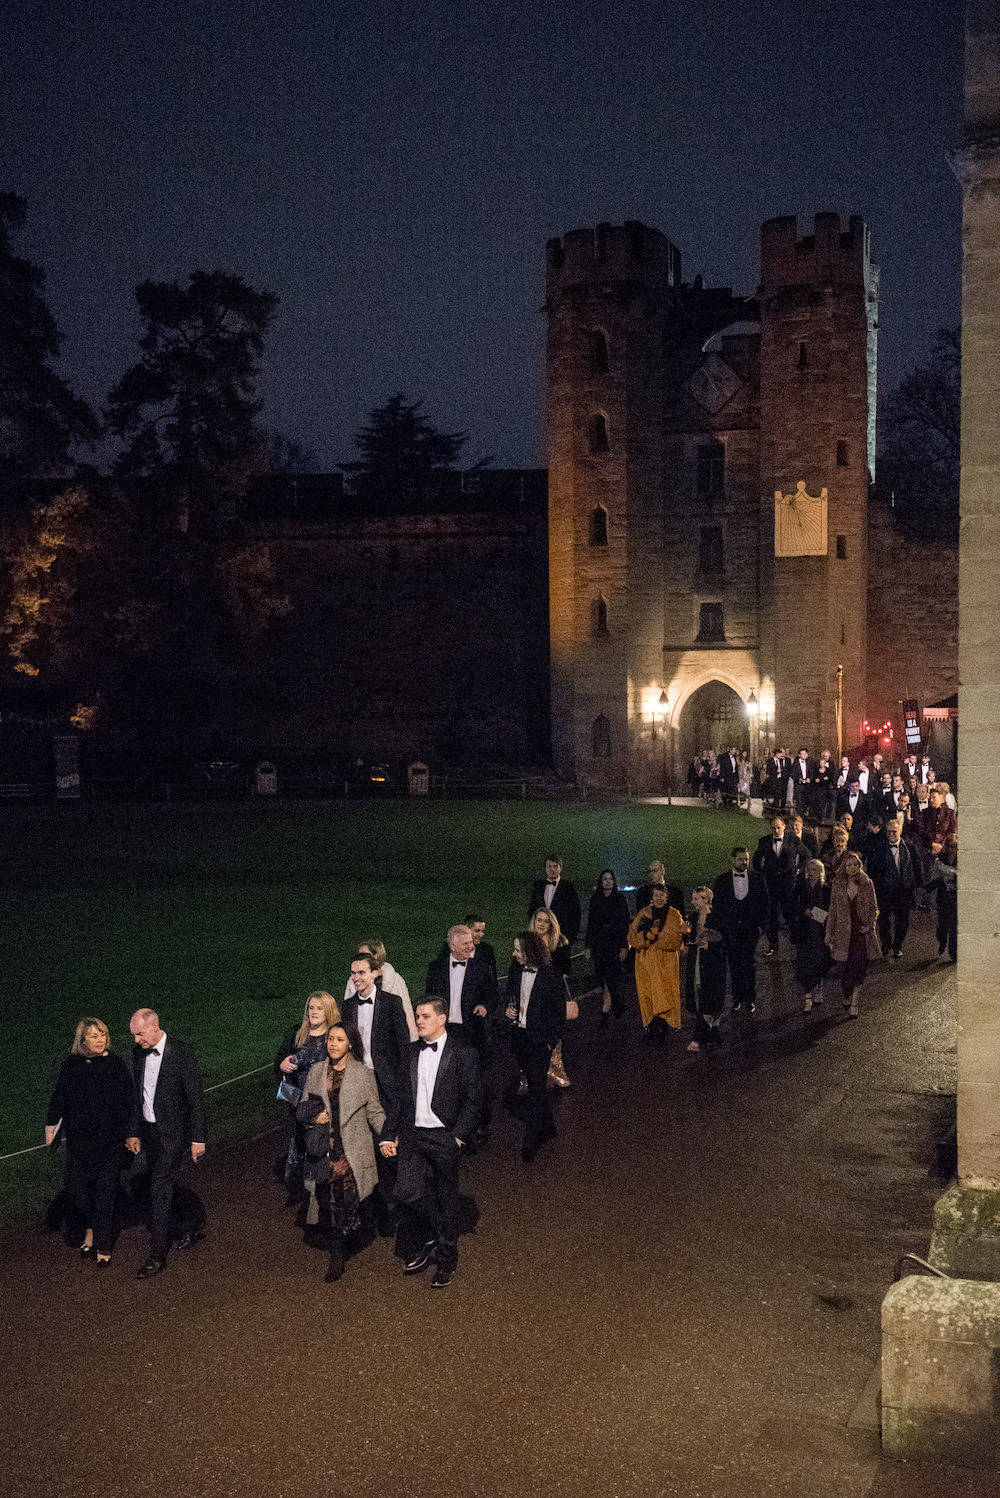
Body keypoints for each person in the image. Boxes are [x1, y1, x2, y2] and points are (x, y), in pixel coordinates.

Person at [380, 996, 482, 1288]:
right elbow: (400, 1099)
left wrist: (458, 1138)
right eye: (417, 1016)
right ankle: (433, 1235)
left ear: (442, 1018)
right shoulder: (411, 1052)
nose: (419, 1021)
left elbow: (474, 1101)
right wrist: (388, 1133)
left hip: (444, 1137)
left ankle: (447, 1259)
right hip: (414, 1135)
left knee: (447, 1197)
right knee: (406, 1192)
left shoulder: (463, 1053)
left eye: (425, 1016)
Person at [295, 1021, 386, 1282]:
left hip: (353, 1149)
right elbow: (303, 1108)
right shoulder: (315, 1072)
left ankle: (337, 1253)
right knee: (329, 1197)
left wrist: (389, 1138)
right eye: (331, 1039)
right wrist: (315, 1119)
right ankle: (349, 1233)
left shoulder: (363, 1074)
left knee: (341, 1195)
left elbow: (375, 1112)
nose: (333, 1044)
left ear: (350, 1044)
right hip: (324, 1147)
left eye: (340, 1040)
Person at [125, 1009, 207, 1279]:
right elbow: (139, 1096)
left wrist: (198, 1138)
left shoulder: (180, 1053)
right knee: (162, 1185)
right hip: (150, 1136)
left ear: (154, 1027)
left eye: (139, 1034)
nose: (136, 1040)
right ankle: (189, 1225)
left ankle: (157, 1255)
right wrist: (134, 1132)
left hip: (173, 1136)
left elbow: (195, 1097)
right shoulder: (139, 1055)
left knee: (159, 1188)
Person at [45, 1018, 132, 1265]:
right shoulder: (72, 1065)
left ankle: (103, 1243)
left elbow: (128, 1099)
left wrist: (129, 1133)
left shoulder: (113, 1064)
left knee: (105, 1193)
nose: (100, 1040)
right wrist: (51, 1126)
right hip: (79, 1144)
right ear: (82, 1040)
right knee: (75, 1189)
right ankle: (93, 1226)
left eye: (103, 1035)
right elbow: (60, 1096)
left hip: (109, 1143)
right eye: (94, 1036)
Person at [426, 924, 497, 1132]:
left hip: (472, 1033)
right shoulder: (436, 968)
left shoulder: (481, 968)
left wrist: (485, 1006)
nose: (470, 947)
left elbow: (493, 995)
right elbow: (429, 998)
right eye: (465, 943)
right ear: (452, 945)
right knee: (448, 1082)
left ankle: (478, 1126)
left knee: (473, 1082)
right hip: (445, 1034)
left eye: (471, 943)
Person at [504, 931, 567, 1160]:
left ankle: (531, 1140)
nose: (514, 953)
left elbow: (559, 1015)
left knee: (536, 1089)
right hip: (519, 1038)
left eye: (518, 950)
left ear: (530, 951)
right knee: (534, 1084)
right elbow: (510, 1000)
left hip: (539, 1042)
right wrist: (508, 1012)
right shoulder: (515, 972)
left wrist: (549, 1042)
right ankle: (549, 1128)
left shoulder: (552, 977)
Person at [274, 991, 340, 1197]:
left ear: (328, 1011)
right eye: (311, 1007)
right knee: (301, 1160)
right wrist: (281, 1065)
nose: (314, 1012)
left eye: (319, 1008)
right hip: (299, 1105)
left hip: (324, 1108)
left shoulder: (334, 1037)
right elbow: (279, 1072)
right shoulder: (297, 1036)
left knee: (322, 1160)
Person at [711, 847, 770, 1015]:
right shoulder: (721, 881)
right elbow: (717, 908)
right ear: (733, 860)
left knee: (749, 964)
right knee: (735, 964)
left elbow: (765, 904)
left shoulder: (758, 879)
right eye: (740, 859)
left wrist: (760, 928)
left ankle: (750, 998)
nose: (744, 862)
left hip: (751, 931)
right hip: (730, 932)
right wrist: (723, 930)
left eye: (746, 859)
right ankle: (737, 999)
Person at [627, 885, 688, 1038]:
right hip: (645, 962)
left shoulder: (675, 915)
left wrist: (658, 937)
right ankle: (651, 1025)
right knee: (648, 993)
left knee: (666, 993)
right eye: (656, 895)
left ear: (667, 897)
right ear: (651, 898)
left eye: (662, 895)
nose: (659, 898)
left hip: (666, 961)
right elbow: (632, 936)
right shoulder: (644, 913)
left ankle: (662, 1025)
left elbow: (677, 939)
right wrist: (647, 937)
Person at [825, 852, 881, 1018]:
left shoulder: (867, 883)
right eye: (849, 865)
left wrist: (870, 925)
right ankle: (848, 994)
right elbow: (832, 911)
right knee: (845, 970)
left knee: (859, 967)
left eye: (855, 865)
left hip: (860, 932)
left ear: (859, 866)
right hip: (843, 933)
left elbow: (874, 908)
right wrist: (828, 932)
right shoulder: (837, 884)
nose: (852, 868)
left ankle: (855, 1000)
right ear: (844, 867)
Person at [527, 906, 576, 1087]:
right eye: (539, 920)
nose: (541, 924)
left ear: (551, 924)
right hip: (530, 994)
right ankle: (530, 1075)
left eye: (546, 921)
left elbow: (565, 970)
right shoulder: (526, 941)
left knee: (554, 1034)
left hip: (552, 995)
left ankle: (555, 1072)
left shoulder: (560, 942)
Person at [344, 939, 416, 1039]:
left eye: (365, 955)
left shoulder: (394, 979)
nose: (360, 959)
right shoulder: (353, 981)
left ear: (376, 955)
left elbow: (406, 1012)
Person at [585, 869, 631, 1026]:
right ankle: (618, 1006)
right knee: (602, 977)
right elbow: (590, 924)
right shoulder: (595, 899)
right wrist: (588, 946)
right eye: (605, 879)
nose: (608, 881)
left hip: (614, 943)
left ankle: (607, 1012)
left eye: (611, 878)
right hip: (599, 944)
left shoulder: (619, 898)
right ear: (601, 881)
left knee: (611, 978)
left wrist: (623, 945)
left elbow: (625, 923)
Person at [683, 887, 726, 1050]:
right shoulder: (693, 918)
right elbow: (688, 938)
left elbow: (726, 939)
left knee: (710, 995)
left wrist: (711, 945)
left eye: (696, 899)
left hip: (713, 964)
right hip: (697, 961)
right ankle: (713, 1032)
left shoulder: (717, 917)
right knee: (700, 994)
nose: (693, 902)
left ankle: (698, 1037)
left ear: (705, 899)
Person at [867, 820, 915, 960]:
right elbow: (872, 870)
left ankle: (898, 945)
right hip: (884, 891)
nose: (891, 834)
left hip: (903, 890)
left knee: (902, 920)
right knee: (884, 919)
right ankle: (886, 944)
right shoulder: (879, 848)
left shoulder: (910, 848)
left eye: (894, 831)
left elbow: (917, 868)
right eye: (888, 831)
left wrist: (915, 888)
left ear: (900, 831)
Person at [753, 814, 799, 956]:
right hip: (771, 884)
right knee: (771, 915)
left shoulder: (793, 840)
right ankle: (773, 946)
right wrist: (762, 874)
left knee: (789, 913)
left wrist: (799, 869)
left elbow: (806, 854)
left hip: (787, 884)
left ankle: (796, 943)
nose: (776, 830)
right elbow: (756, 860)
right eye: (773, 828)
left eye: (779, 827)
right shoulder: (764, 841)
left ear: (784, 826)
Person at [790, 860, 831, 1012]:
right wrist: (804, 911)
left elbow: (830, 910)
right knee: (804, 964)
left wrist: (816, 914)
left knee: (820, 961)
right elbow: (793, 905)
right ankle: (807, 997)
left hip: (819, 931)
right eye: (809, 869)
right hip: (804, 931)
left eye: (815, 869)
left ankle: (819, 990)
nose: (812, 872)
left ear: (820, 871)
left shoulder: (826, 889)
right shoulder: (800, 887)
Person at [527, 856, 581, 945]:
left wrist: (570, 938)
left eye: (555, 866)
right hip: (539, 938)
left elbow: (575, 914)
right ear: (545, 868)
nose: (552, 869)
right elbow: (532, 910)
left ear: (561, 868)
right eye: (549, 866)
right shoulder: (537, 886)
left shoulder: (568, 887)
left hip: (561, 938)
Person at [926, 834, 958, 961]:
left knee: (955, 926)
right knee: (943, 927)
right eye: (949, 846)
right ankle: (942, 941)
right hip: (943, 897)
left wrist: (949, 872)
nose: (952, 849)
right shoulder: (939, 860)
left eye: (954, 847)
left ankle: (953, 952)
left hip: (956, 898)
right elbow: (933, 880)